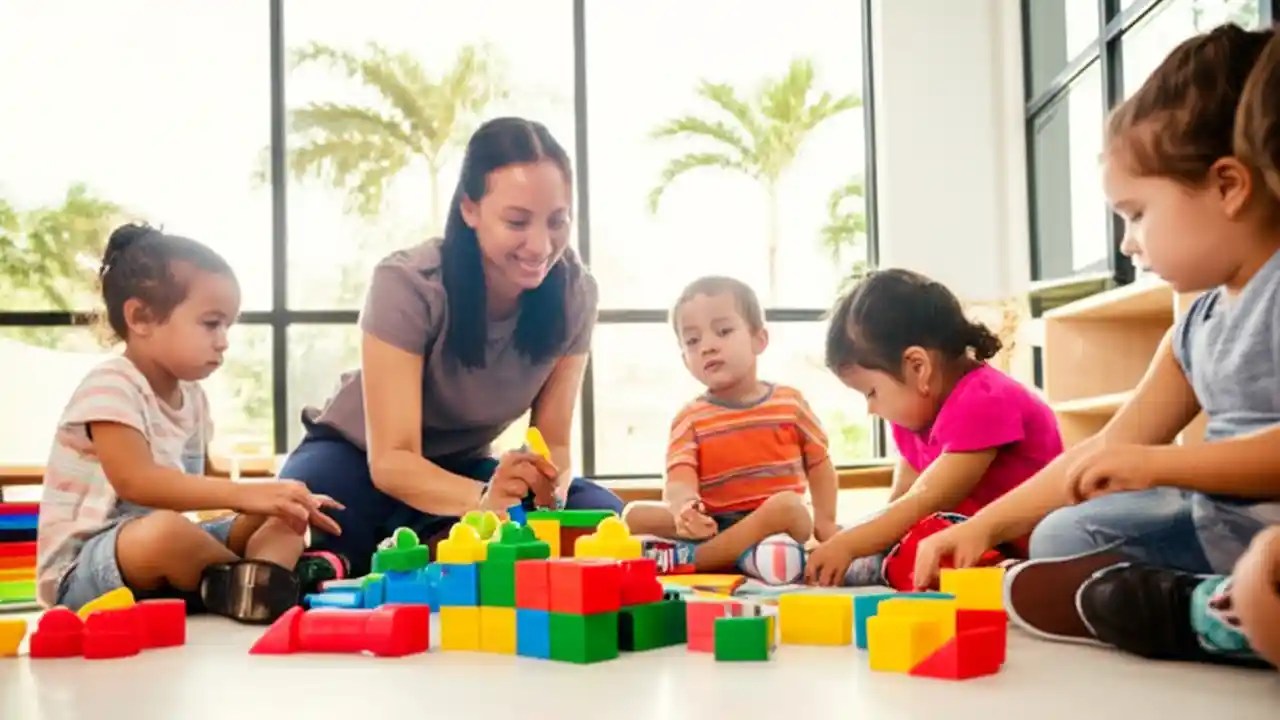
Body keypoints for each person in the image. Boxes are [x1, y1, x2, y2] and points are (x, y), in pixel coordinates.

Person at [912, 24, 1280, 650]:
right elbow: (1105, 448)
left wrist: (1160, 466)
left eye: (1137, 214)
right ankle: (1209, 605)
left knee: (1262, 571)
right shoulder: (1194, 329)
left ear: (1228, 187)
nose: (1128, 244)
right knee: (1063, 533)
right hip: (1223, 533)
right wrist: (983, 526)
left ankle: (1210, 615)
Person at [280, 117, 622, 576]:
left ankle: (430, 547)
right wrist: (485, 502)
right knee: (314, 514)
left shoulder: (575, 293)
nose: (541, 246)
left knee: (598, 514)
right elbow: (392, 460)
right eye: (517, 221)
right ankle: (397, 550)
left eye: (558, 221)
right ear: (469, 209)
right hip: (359, 458)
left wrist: (549, 499)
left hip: (462, 470)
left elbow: (553, 441)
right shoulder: (408, 283)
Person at [35, 224, 340, 623]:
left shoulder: (193, 398)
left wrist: (274, 500)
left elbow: (203, 491)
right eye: (211, 323)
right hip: (88, 568)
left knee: (283, 516)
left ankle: (254, 584)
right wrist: (244, 495)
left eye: (228, 326)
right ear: (141, 317)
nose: (224, 340)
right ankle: (260, 583)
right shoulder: (111, 384)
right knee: (165, 533)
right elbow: (137, 482)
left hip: (169, 552)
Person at [806, 269, 1062, 587]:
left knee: (911, 546)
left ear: (918, 367)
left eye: (871, 392)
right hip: (963, 535)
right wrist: (853, 540)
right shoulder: (914, 421)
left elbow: (929, 498)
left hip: (1020, 543)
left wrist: (849, 544)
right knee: (891, 546)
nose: (871, 409)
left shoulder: (985, 399)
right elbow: (900, 503)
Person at [622, 276, 839, 578]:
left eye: (723, 331)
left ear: (759, 339)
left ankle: (700, 560)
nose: (708, 347)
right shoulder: (690, 418)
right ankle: (738, 557)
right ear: (685, 359)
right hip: (713, 524)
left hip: (772, 523)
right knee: (633, 515)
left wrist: (825, 522)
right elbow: (679, 481)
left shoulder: (790, 403)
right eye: (693, 341)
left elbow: (819, 464)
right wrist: (686, 510)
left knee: (790, 508)